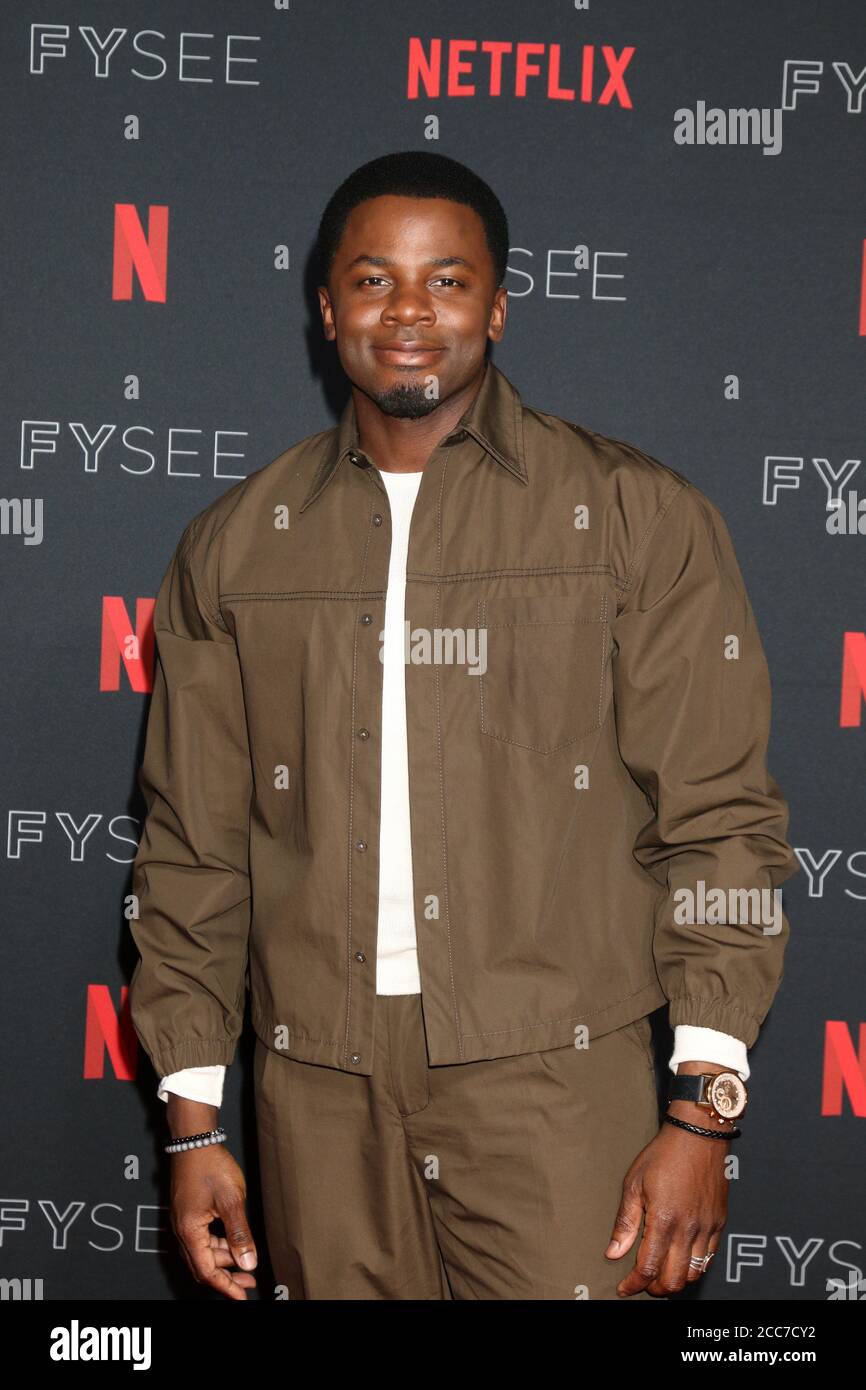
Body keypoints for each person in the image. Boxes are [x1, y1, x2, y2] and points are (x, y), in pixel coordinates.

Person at [128, 150, 799, 1301]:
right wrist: (193, 1125)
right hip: (316, 1091)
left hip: (554, 1081)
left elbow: (720, 826)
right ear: (325, 303)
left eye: (445, 281)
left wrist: (701, 1110)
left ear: (495, 303)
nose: (407, 313)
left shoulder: (636, 519)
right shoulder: (237, 545)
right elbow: (194, 847)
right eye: (373, 278)